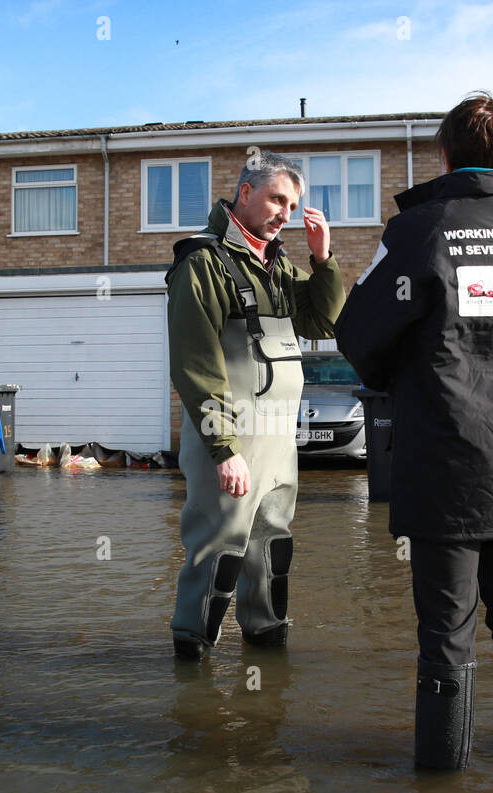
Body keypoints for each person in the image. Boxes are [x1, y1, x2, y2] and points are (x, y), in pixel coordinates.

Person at [334, 94, 493, 768]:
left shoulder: (424, 228)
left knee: (446, 635)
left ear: (445, 156)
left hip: (446, 465)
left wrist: (394, 375)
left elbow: (357, 331)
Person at [166, 152, 345, 660]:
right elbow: (196, 367)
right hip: (231, 441)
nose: (284, 212)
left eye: (291, 204)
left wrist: (323, 260)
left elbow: (320, 323)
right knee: (218, 550)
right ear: (244, 193)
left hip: (278, 443)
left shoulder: (280, 266)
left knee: (271, 550)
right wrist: (223, 450)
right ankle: (192, 665)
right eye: (275, 199)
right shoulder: (202, 264)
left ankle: (266, 649)